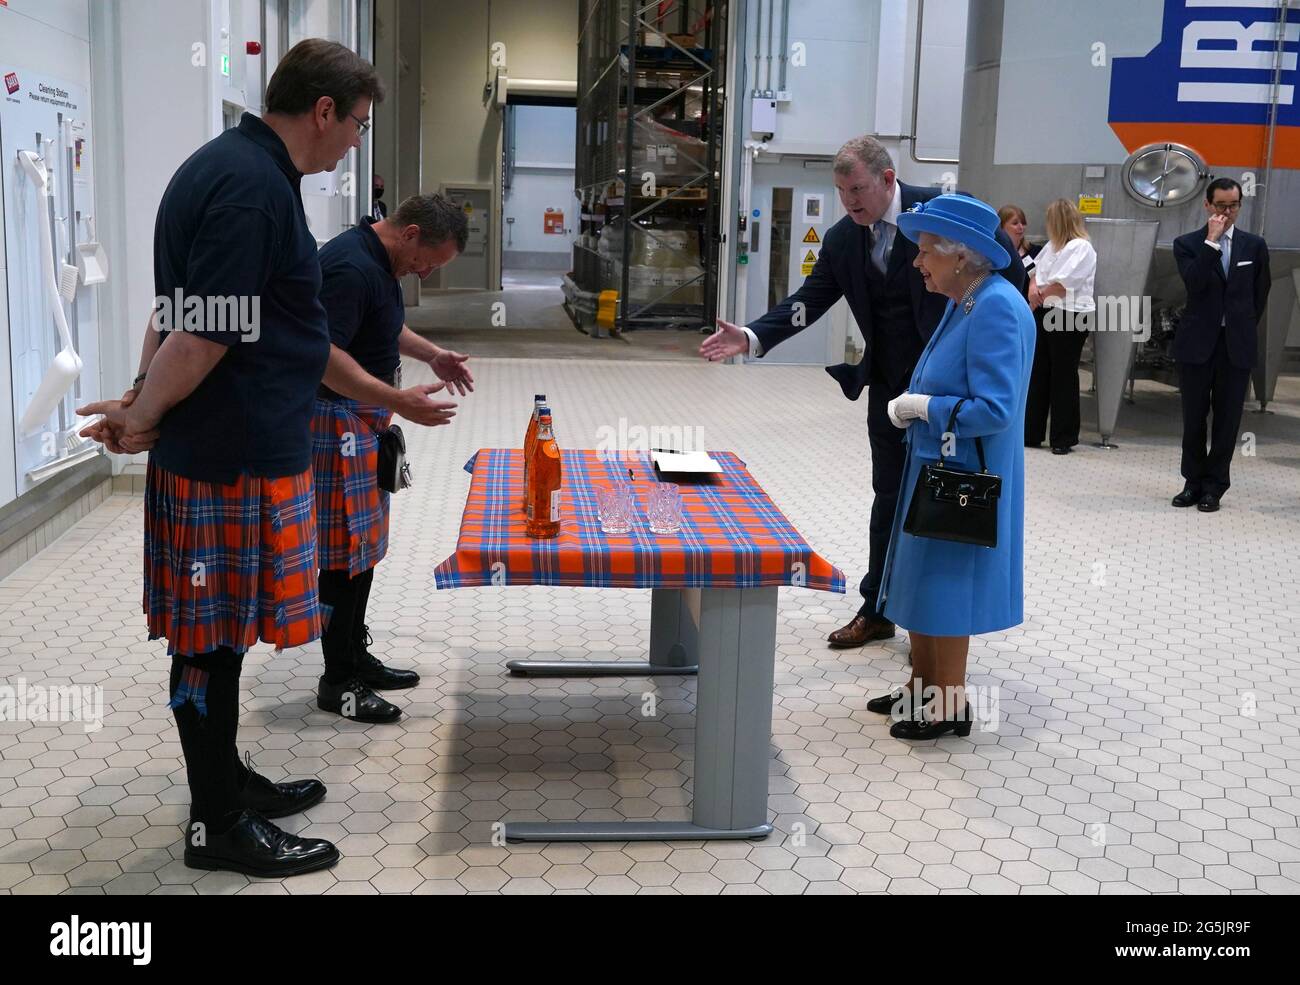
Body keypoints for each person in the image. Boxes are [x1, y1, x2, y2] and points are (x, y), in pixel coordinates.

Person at [77, 39, 383, 876]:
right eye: (355, 123)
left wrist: (145, 396)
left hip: (223, 447)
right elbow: (206, 331)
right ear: (322, 111)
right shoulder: (253, 191)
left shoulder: (222, 167)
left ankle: (226, 779)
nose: (355, 140)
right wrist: (144, 412)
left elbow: (176, 310)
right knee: (208, 642)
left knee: (218, 640)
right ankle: (215, 821)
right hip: (232, 457)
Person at [700, 135, 1024, 650]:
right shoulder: (842, 240)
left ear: (888, 179)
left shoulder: (940, 212)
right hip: (890, 390)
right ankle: (877, 608)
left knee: (943, 500)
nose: (849, 200)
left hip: (948, 392)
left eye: (857, 188)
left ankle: (939, 623)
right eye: (841, 190)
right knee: (889, 495)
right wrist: (753, 335)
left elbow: (1003, 263)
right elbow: (811, 300)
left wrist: (986, 334)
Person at [869, 194, 1035, 738]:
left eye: (925, 252)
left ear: (959, 256)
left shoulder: (996, 307)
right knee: (918, 580)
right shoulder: (962, 301)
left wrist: (924, 408)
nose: (918, 263)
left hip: (963, 476)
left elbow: (996, 408)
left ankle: (948, 705)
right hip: (933, 465)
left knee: (944, 587)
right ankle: (920, 686)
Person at [314, 194, 470, 723]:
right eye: (429, 261)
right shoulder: (349, 267)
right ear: (409, 235)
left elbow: (382, 328)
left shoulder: (379, 264)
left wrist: (434, 355)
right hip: (334, 423)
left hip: (365, 421)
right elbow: (323, 355)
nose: (425, 272)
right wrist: (395, 399)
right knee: (341, 556)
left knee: (364, 551)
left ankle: (356, 657)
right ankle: (339, 683)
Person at [1170, 177, 1271, 513]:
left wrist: (1240, 327)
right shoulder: (1186, 243)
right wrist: (1211, 243)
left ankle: (1215, 486)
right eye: (1221, 206)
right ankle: (1192, 482)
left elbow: (1260, 294)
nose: (1228, 212)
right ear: (1207, 206)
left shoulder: (1254, 246)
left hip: (1236, 346)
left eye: (1234, 205)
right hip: (1197, 345)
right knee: (1194, 417)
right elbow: (1196, 284)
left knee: (1227, 421)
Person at [1023, 198, 1097, 454]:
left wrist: (1036, 298)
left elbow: (1063, 285)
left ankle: (1063, 437)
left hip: (1070, 314)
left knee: (1063, 375)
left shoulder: (1081, 247)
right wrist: (1033, 289)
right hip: (1046, 310)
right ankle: (1031, 432)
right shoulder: (1053, 246)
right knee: (1039, 371)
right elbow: (1034, 270)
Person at [998, 204, 1040, 300]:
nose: (1021, 227)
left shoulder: (1036, 252)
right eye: (1015, 223)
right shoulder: (996, 257)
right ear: (1002, 226)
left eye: (1023, 223)